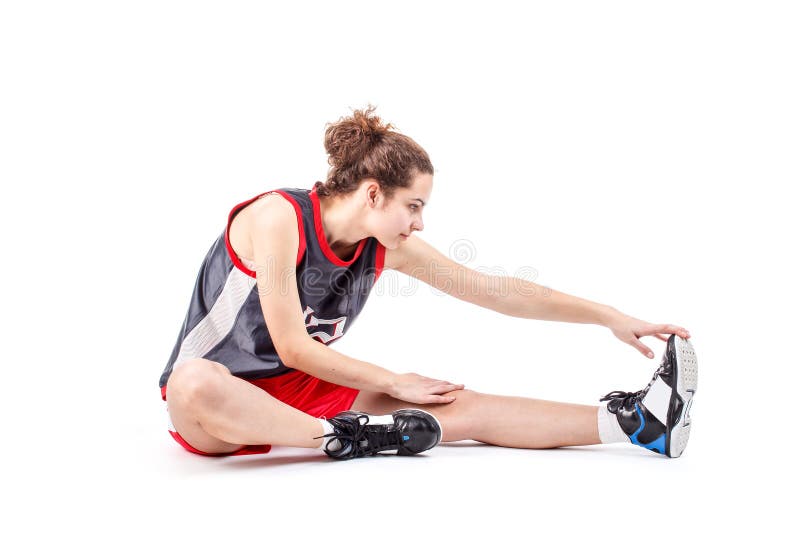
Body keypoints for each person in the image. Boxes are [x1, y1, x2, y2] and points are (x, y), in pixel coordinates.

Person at [158, 105, 698, 460]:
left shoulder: (384, 247)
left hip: (296, 395)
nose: (419, 222)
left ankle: (635, 424)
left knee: (457, 403)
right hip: (218, 407)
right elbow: (292, 346)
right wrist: (393, 381)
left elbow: (495, 290)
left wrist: (611, 317)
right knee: (193, 381)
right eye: (413, 206)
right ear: (373, 194)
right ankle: (342, 438)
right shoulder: (276, 218)